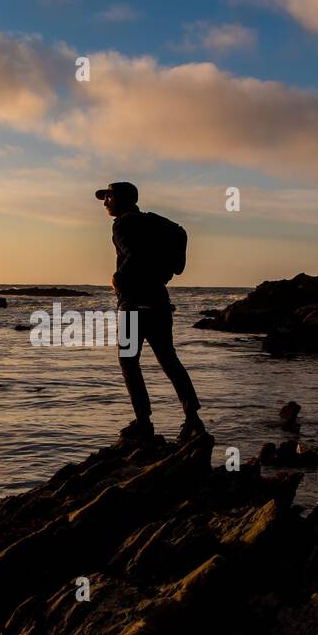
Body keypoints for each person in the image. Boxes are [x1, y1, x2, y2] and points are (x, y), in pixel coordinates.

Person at [96, 181, 205, 442]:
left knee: (129, 362)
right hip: (158, 301)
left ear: (121, 199)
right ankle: (193, 419)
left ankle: (144, 423)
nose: (105, 202)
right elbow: (181, 232)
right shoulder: (153, 221)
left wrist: (118, 278)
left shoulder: (122, 224)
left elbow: (134, 254)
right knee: (168, 360)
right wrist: (172, 268)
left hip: (134, 304)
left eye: (108, 197)